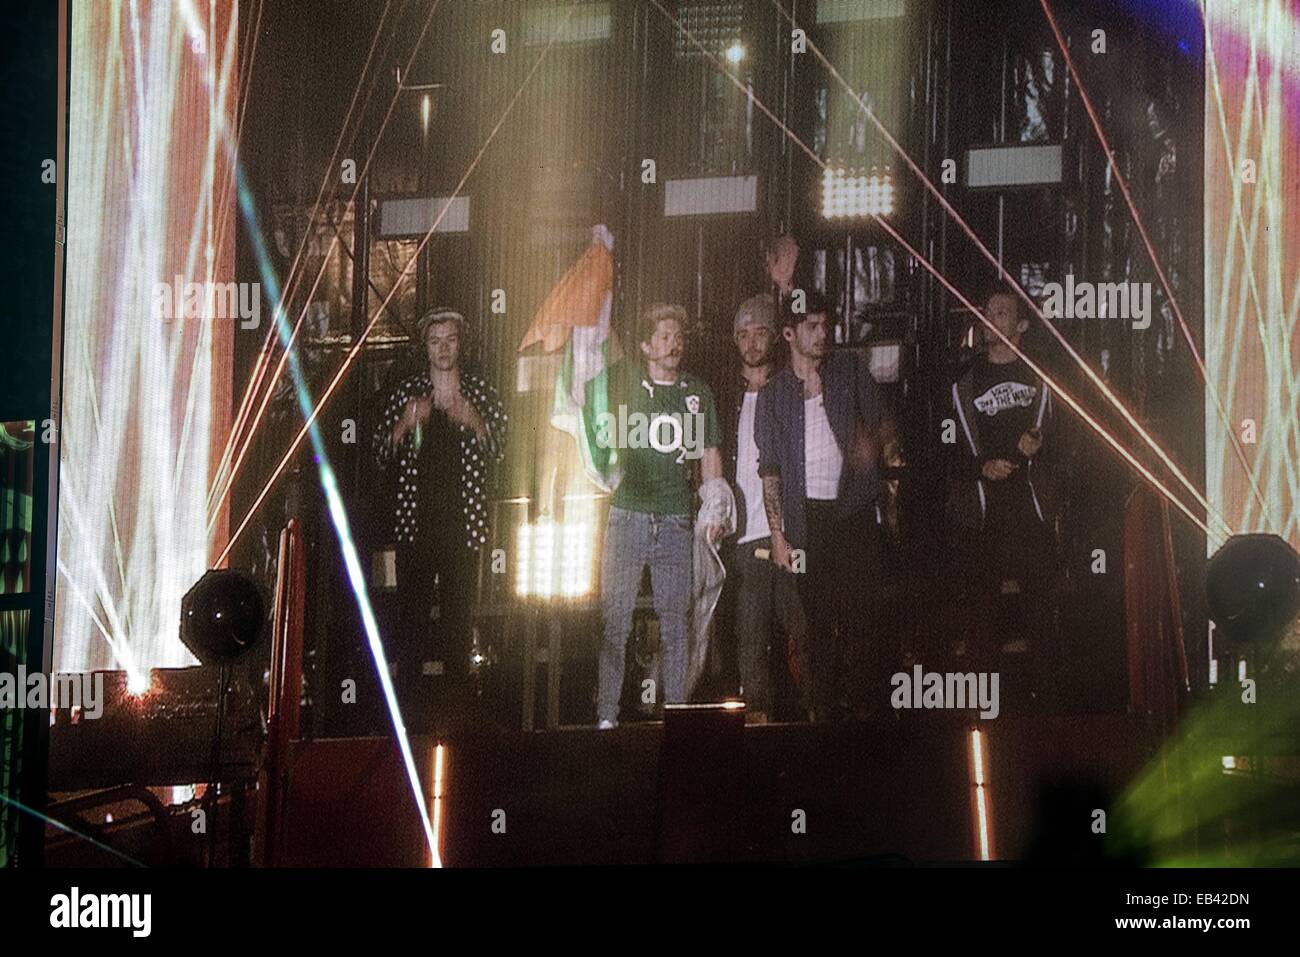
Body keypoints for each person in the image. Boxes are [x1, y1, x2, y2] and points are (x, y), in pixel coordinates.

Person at [755, 290, 887, 722]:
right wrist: (778, 536)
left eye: (826, 325)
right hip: (808, 520)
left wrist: (877, 456)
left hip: (853, 514)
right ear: (789, 334)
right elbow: (770, 469)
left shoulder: (848, 370)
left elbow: (881, 427)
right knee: (814, 621)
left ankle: (867, 715)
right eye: (812, 326)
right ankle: (823, 717)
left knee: (864, 618)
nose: (822, 334)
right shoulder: (774, 395)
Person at [373, 306, 506, 731]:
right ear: (425, 346)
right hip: (415, 527)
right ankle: (407, 719)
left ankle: (458, 719)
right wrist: (404, 424)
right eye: (436, 341)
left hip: (463, 530)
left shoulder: (481, 392)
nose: (444, 348)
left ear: (460, 343)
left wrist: (476, 422)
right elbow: (378, 452)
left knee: (456, 624)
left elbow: (504, 451)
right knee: (410, 622)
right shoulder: (408, 392)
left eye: (450, 339)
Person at [596, 304, 723, 728]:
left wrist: (714, 508)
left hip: (674, 520)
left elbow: (710, 455)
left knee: (676, 622)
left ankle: (677, 716)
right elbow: (595, 355)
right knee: (615, 618)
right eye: (665, 336)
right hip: (627, 516)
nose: (674, 343)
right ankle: (606, 717)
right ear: (646, 345)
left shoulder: (696, 391)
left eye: (678, 337)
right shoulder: (626, 380)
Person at [948, 283, 1059, 684]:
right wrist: (980, 467)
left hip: (1030, 511)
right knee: (981, 619)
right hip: (982, 513)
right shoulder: (963, 382)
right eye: (985, 310)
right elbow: (946, 449)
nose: (988, 320)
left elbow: (1065, 440)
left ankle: (1044, 703)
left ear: (1022, 324)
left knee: (1042, 616)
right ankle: (982, 713)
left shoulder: (1042, 378)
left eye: (1000, 313)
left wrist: (1039, 444)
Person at [718, 293, 809, 723]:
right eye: (743, 335)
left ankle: (812, 714)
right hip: (745, 534)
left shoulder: (792, 388)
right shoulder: (723, 395)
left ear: (775, 337)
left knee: (802, 625)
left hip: (790, 530)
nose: (752, 343)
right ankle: (757, 720)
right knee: (749, 633)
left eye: (760, 333)